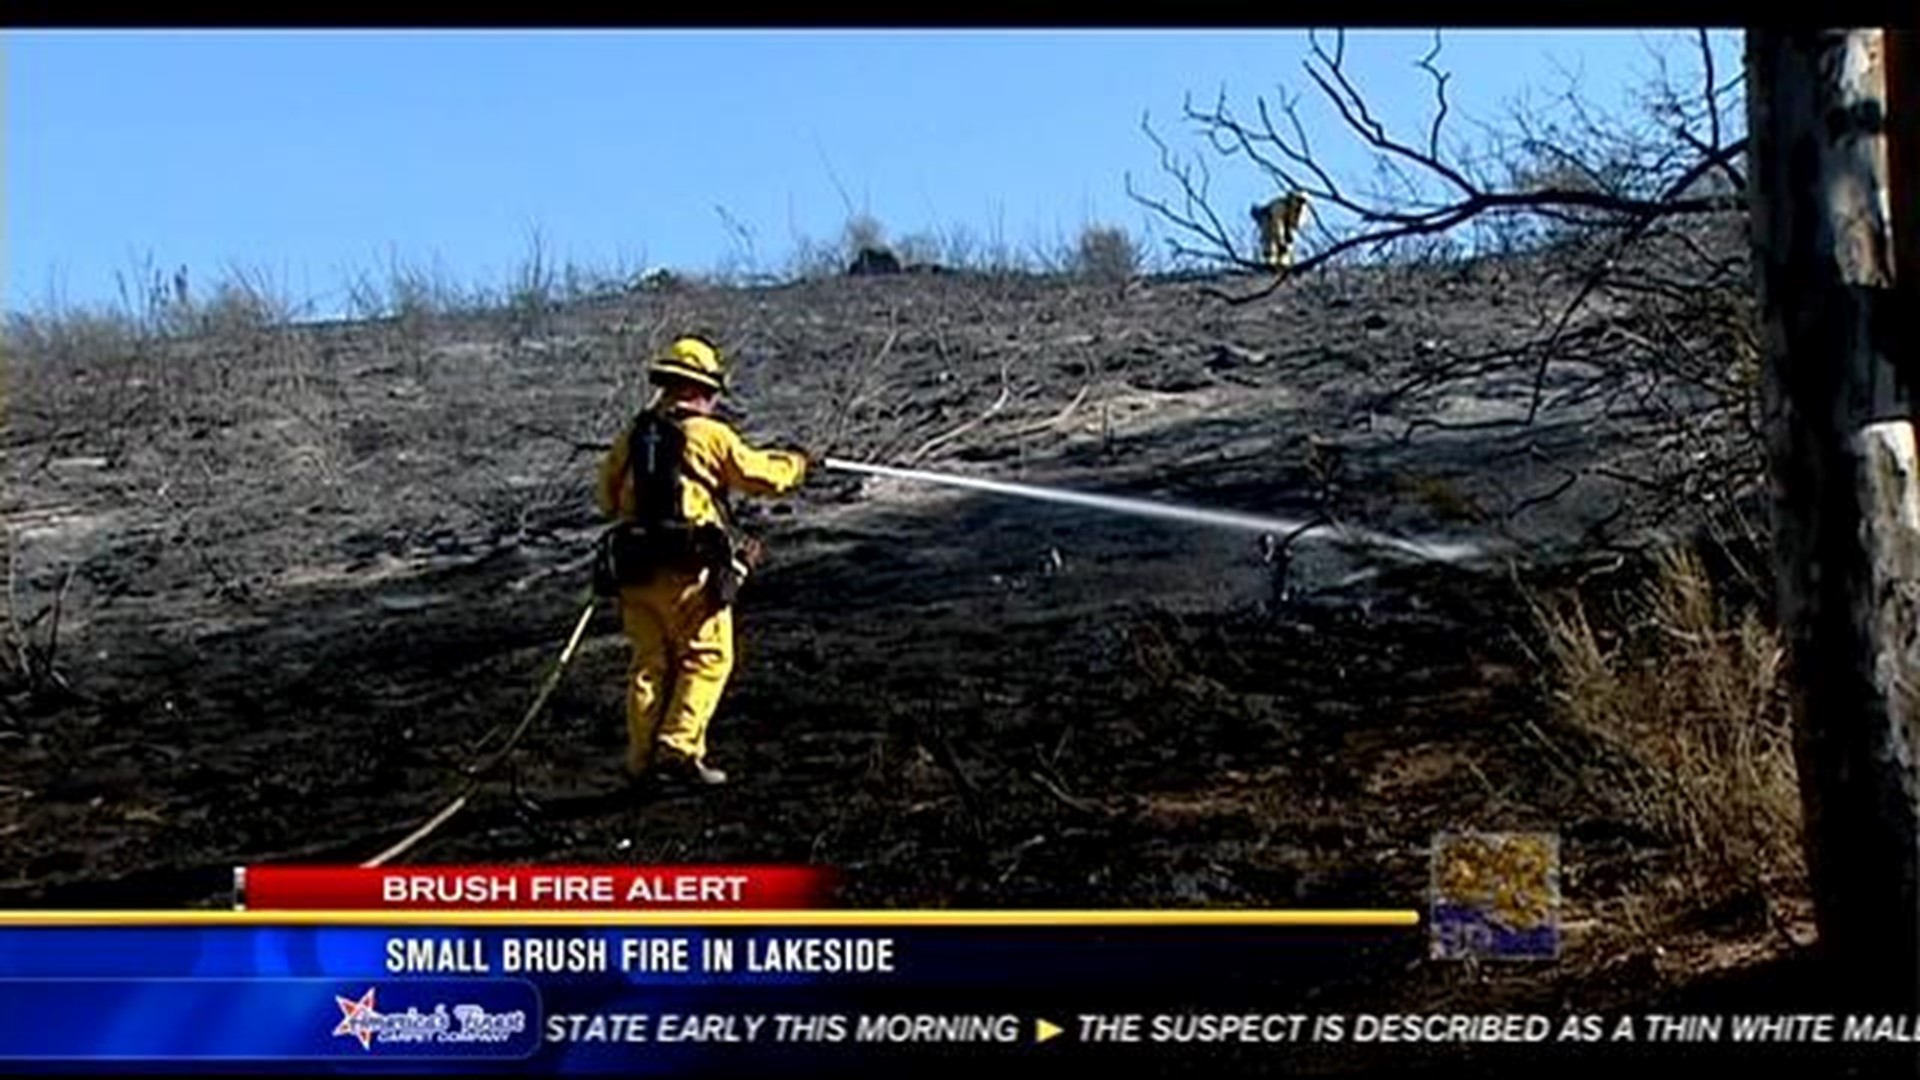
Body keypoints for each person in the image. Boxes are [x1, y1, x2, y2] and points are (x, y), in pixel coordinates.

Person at [594, 335, 811, 787]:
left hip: (634, 572)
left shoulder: (633, 435)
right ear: (699, 390)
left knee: (649, 663)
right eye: (712, 392)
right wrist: (799, 464)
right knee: (707, 658)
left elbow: (606, 500)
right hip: (688, 570)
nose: (713, 400)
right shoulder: (709, 434)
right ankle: (678, 750)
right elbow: (760, 475)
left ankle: (640, 760)